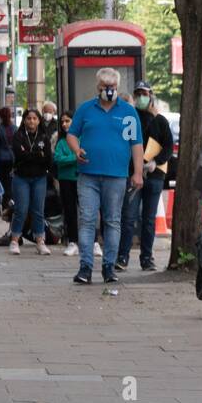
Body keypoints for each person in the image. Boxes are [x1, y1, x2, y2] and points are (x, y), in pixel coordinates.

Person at [65, 68, 144, 285]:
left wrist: (137, 172)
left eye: (112, 88)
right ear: (98, 87)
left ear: (117, 88)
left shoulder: (128, 112)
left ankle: (109, 266)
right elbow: (71, 134)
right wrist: (76, 149)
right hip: (88, 175)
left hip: (116, 175)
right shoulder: (86, 109)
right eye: (104, 88)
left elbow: (136, 144)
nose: (108, 91)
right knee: (88, 220)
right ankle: (86, 267)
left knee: (112, 221)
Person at [116, 81, 173, 273]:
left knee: (148, 219)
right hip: (134, 175)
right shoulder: (131, 120)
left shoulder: (160, 121)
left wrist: (156, 161)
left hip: (154, 175)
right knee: (128, 216)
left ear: (151, 96)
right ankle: (122, 256)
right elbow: (125, 145)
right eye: (138, 93)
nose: (141, 97)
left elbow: (168, 146)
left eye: (144, 93)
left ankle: (146, 258)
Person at [0, 107, 55, 254]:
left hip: (39, 177)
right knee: (21, 209)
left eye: (34, 118)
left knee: (38, 210)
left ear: (39, 120)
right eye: (28, 118)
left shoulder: (44, 137)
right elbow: (19, 156)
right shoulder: (18, 136)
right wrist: (36, 155)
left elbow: (47, 159)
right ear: (24, 120)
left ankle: (40, 241)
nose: (31, 121)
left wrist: (30, 154)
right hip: (21, 178)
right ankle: (14, 240)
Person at [54, 112, 81, 259]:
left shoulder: (82, 138)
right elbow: (58, 158)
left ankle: (93, 242)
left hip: (81, 179)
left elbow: (84, 155)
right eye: (62, 122)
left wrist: (69, 158)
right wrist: (75, 157)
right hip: (65, 179)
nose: (64, 124)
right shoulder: (60, 142)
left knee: (86, 211)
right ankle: (73, 242)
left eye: (67, 121)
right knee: (70, 212)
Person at [0, 106, 17, 210]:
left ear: (0, 117)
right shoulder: (15, 128)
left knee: (2, 181)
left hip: (1, 159)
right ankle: (10, 202)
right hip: (13, 159)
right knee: (11, 181)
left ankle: (5, 205)